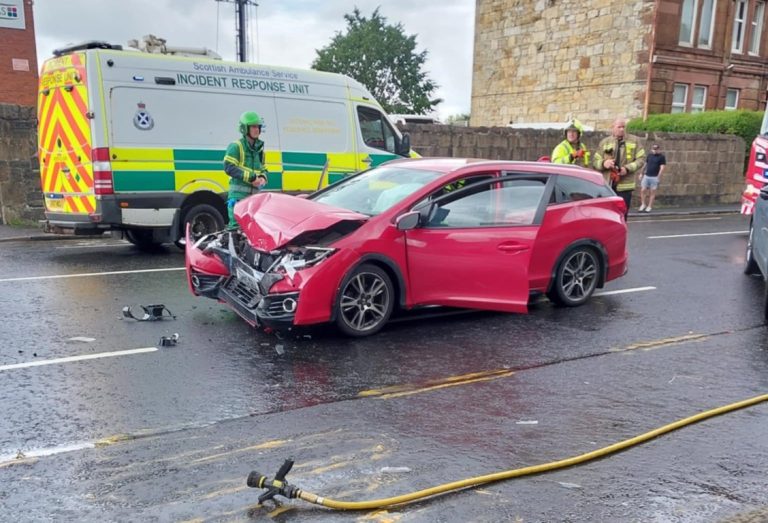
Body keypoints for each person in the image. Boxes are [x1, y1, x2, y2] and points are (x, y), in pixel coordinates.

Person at [593, 117, 646, 218]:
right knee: (606, 216)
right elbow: (595, 161)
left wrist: (627, 168)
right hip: (607, 186)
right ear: (613, 127)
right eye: (619, 127)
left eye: (623, 127)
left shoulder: (634, 141)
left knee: (621, 216)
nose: (622, 129)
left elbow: (641, 159)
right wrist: (604, 163)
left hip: (625, 187)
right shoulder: (605, 142)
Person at [223, 111, 268, 228]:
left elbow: (263, 168)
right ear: (244, 128)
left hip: (254, 200)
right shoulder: (236, 146)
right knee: (237, 231)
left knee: (254, 231)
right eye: (253, 126)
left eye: (258, 126)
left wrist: (263, 177)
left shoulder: (259, 150)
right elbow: (229, 167)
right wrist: (252, 178)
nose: (257, 129)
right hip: (238, 198)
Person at [639, 143, 666, 212]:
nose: (655, 150)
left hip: (654, 177)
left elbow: (662, 168)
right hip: (646, 175)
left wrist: (658, 177)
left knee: (652, 192)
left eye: (656, 149)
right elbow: (645, 164)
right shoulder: (649, 155)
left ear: (659, 149)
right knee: (643, 190)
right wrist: (641, 173)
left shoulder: (661, 157)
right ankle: (643, 204)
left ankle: (649, 206)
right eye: (653, 149)